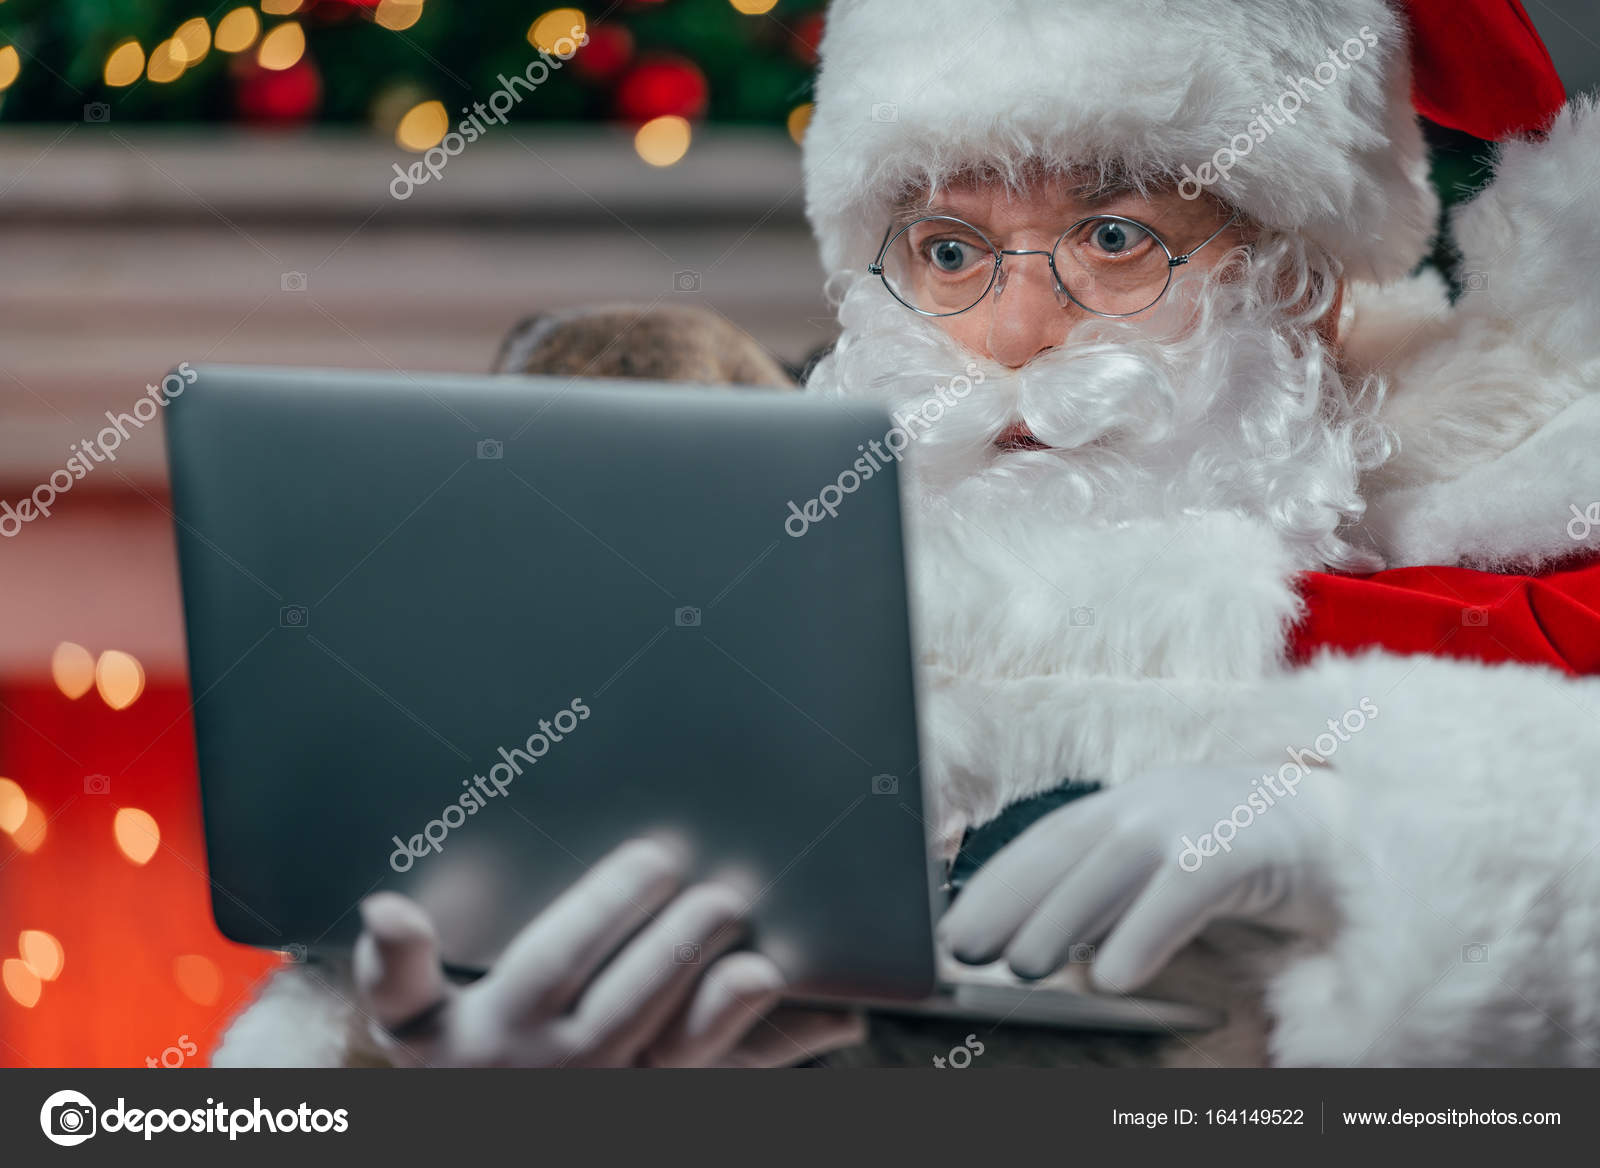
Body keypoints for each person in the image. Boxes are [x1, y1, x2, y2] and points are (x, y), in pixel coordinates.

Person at [217, 0, 1600, 1067]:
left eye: (1116, 238)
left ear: (1309, 295)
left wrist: (1388, 848)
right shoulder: (697, 600)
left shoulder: (1495, 577)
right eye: (948, 250)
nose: (1011, 333)